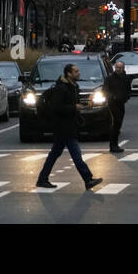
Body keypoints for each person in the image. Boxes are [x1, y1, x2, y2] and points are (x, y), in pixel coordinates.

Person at [35, 63, 102, 191]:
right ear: (69, 74)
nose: (78, 73)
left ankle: (42, 179)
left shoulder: (73, 87)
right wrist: (73, 108)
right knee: (76, 155)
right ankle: (88, 179)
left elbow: (71, 104)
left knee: (55, 153)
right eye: (76, 71)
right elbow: (56, 107)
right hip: (63, 127)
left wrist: (82, 105)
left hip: (68, 126)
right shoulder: (62, 88)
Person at [103, 59, 132, 154]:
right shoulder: (109, 78)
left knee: (119, 124)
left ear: (123, 68)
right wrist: (112, 97)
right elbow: (105, 90)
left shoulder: (125, 78)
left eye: (120, 68)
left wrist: (126, 97)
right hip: (112, 104)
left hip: (121, 103)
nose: (118, 69)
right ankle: (113, 145)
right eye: (117, 67)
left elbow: (128, 89)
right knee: (116, 122)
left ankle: (115, 144)